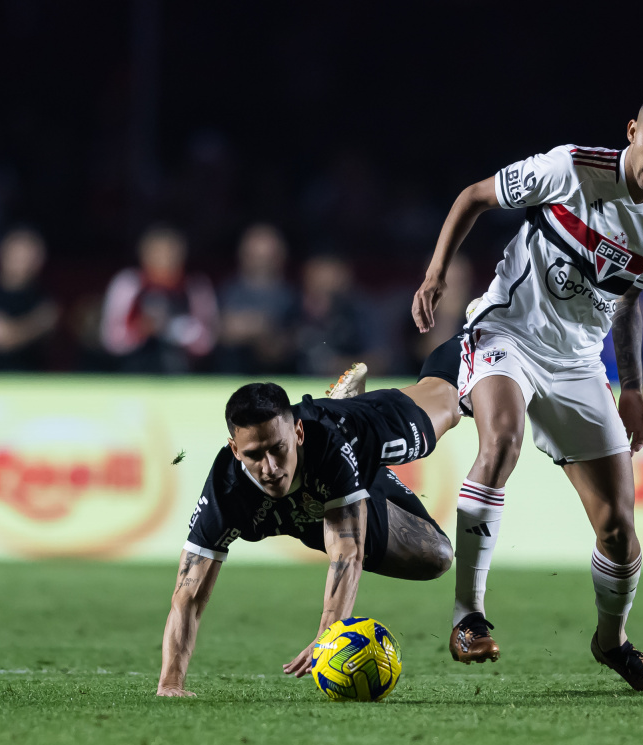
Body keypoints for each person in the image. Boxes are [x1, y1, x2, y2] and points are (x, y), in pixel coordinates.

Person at [411, 82, 643, 693]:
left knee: (619, 527)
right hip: (506, 333)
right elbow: (473, 197)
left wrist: (631, 386)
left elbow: (626, 302)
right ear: (632, 131)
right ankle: (468, 617)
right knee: (501, 443)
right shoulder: (568, 168)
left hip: (577, 365)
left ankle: (612, 643)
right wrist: (437, 273)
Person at [156, 337, 464, 697]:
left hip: (359, 433)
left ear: (297, 433)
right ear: (235, 449)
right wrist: (170, 683)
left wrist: (327, 637)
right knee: (436, 557)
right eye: (255, 455)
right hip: (322, 500)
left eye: (278, 449)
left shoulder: (326, 443)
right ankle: (350, 475)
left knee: (451, 405)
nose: (270, 468)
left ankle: (477, 324)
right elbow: (187, 596)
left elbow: (347, 552)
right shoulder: (226, 491)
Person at [101, 224, 219, 373]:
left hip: (183, 372)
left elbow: (207, 342)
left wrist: (174, 328)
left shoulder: (196, 286)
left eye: (171, 251)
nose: (164, 258)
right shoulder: (128, 284)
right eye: (157, 251)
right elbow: (111, 340)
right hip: (132, 371)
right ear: (144, 253)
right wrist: (142, 329)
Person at [217, 223, 297, 373]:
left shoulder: (291, 297)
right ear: (243, 255)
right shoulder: (226, 291)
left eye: (267, 257)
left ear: (280, 257)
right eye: (255, 256)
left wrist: (261, 331)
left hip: (278, 379)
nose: (261, 263)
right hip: (228, 378)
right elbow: (216, 333)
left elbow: (284, 348)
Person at [0, 227, 58, 371]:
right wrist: (36, 323)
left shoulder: (44, 296)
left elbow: (52, 323)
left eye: (31, 256)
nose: (25, 262)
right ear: (4, 255)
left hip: (35, 383)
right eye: (19, 255)